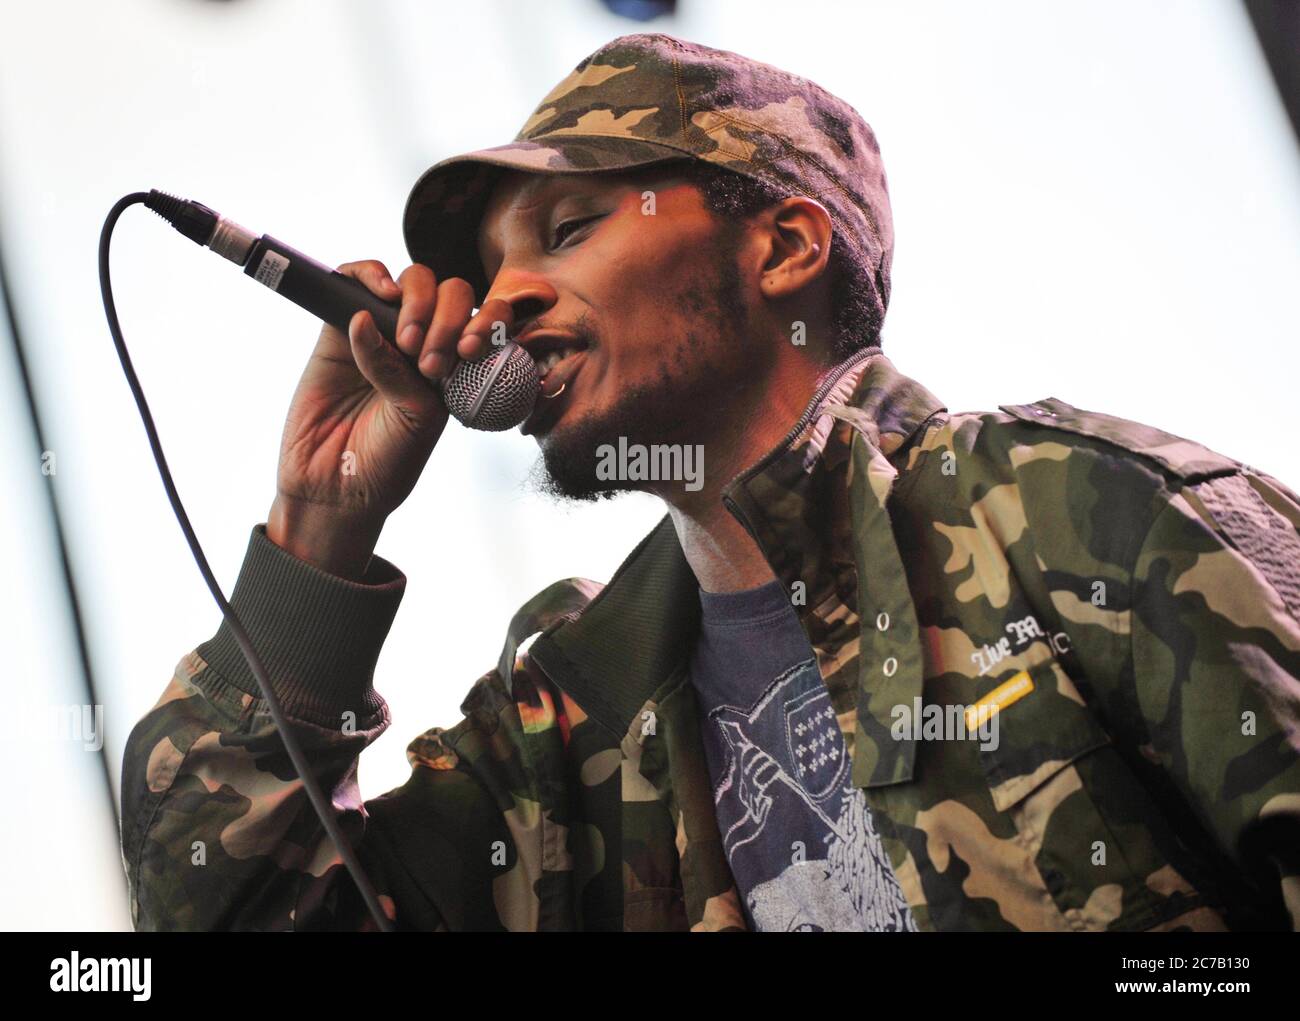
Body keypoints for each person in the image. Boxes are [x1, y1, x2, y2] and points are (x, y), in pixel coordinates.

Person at [120, 32, 1300, 932]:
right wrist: (317, 538)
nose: (500, 302)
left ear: (783, 248)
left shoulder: (1073, 511)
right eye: (491, 270)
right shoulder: (570, 712)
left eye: (569, 229)